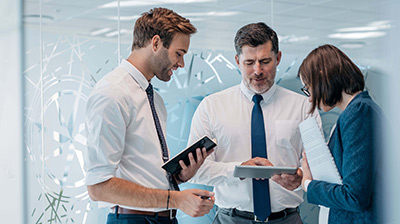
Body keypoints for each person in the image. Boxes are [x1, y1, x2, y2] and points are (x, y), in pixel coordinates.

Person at [84, 7, 215, 224]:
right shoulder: (112, 93)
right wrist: (176, 199)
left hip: (163, 218)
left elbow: (141, 171)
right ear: (155, 43)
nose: (181, 64)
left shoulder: (154, 98)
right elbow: (98, 187)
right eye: (179, 53)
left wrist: (178, 177)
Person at [187, 22, 321, 224]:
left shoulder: (304, 107)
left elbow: (318, 164)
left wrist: (303, 178)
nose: (257, 70)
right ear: (237, 61)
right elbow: (195, 170)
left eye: (265, 61)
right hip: (230, 219)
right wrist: (238, 169)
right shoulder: (211, 107)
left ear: (278, 58)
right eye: (249, 62)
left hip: (287, 219)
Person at [299, 44, 383, 224]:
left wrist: (308, 184)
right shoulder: (355, 112)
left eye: (308, 88)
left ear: (322, 77)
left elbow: (354, 197)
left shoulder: (360, 113)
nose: (310, 98)